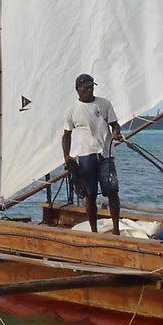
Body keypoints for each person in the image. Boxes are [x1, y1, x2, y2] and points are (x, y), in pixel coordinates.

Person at [60, 73, 123, 233]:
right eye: (86, 87)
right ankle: (94, 231)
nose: (89, 90)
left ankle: (116, 229)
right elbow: (66, 135)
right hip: (86, 156)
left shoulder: (104, 104)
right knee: (90, 194)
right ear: (78, 89)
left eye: (91, 87)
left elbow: (115, 124)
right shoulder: (71, 111)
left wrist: (116, 133)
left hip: (106, 155)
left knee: (112, 191)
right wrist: (66, 156)